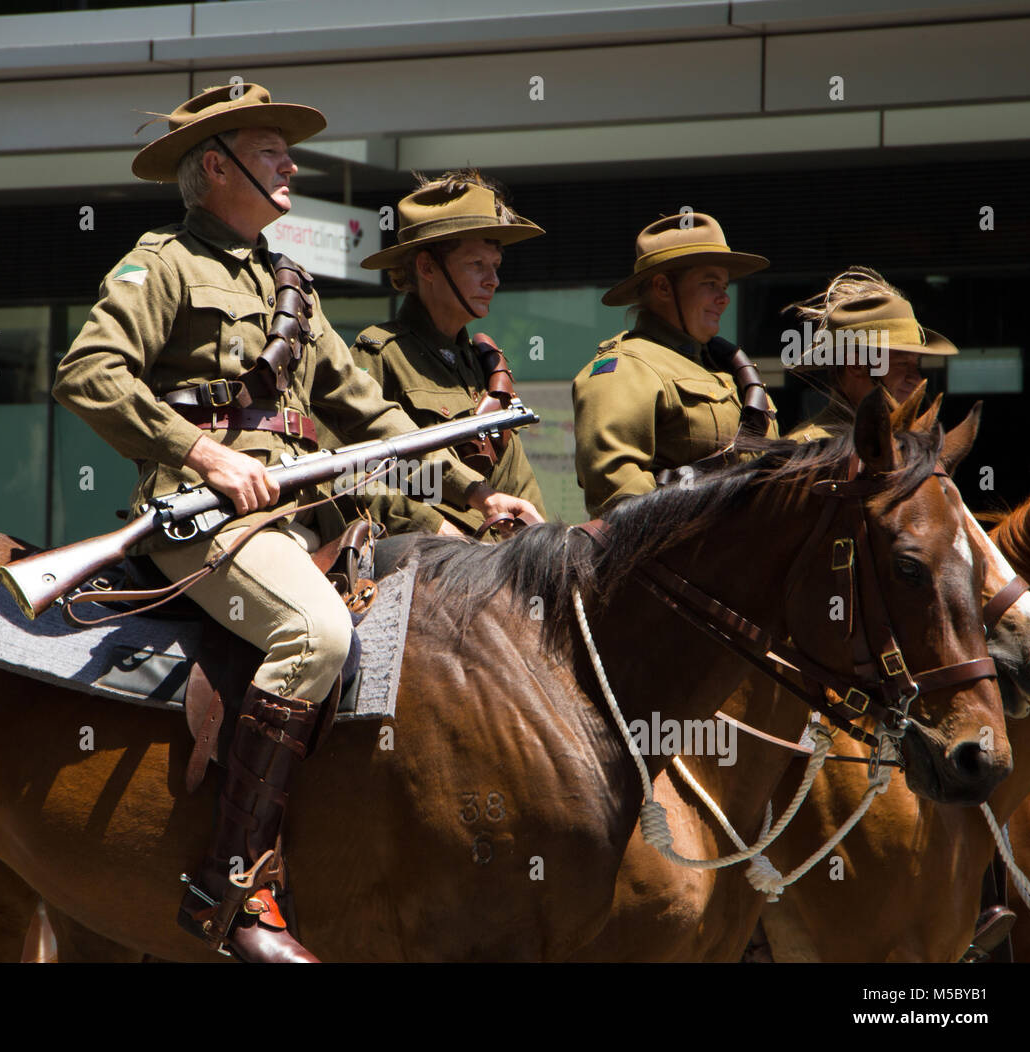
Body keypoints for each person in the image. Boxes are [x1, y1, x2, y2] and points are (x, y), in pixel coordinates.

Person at [52, 83, 539, 963]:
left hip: (293, 511)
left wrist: (471, 496)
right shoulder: (158, 262)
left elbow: (369, 419)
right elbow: (88, 375)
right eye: (273, 150)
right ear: (217, 164)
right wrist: (206, 456)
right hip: (198, 513)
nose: (292, 166)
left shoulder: (289, 286)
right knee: (315, 635)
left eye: (287, 151)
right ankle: (232, 886)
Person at [348, 170, 547, 536]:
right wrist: (432, 527)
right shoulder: (380, 355)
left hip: (495, 561)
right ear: (427, 267)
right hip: (422, 561)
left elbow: (515, 482)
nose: (493, 280)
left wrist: (537, 542)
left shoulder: (482, 363)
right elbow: (351, 475)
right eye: (477, 265)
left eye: (496, 266)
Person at [572, 212, 777, 517]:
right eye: (710, 284)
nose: (724, 299)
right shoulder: (626, 368)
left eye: (724, 286)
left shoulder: (724, 367)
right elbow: (620, 500)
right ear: (663, 288)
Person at [784, 267, 957, 441]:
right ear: (856, 365)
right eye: (902, 363)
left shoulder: (902, 444)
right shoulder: (811, 451)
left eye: (916, 365)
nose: (917, 379)